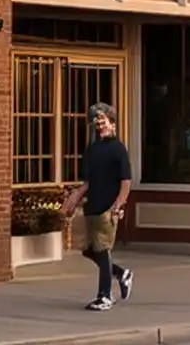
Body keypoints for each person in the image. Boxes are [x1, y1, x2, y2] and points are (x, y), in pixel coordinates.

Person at [61, 104, 134, 312]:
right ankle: (121, 274)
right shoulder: (92, 150)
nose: (99, 125)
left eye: (102, 121)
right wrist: (74, 198)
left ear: (112, 122)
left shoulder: (118, 148)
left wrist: (118, 205)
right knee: (89, 250)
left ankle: (105, 296)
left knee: (102, 250)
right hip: (91, 206)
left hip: (107, 209)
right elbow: (88, 182)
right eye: (96, 122)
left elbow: (126, 181)